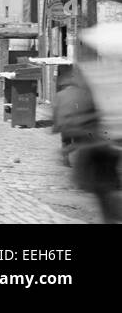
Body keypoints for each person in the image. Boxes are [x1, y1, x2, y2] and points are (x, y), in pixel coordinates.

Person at [53, 66, 122, 223]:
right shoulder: (87, 95)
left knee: (106, 198)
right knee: (107, 197)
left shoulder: (66, 95)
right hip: (99, 155)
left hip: (76, 133)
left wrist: (56, 127)